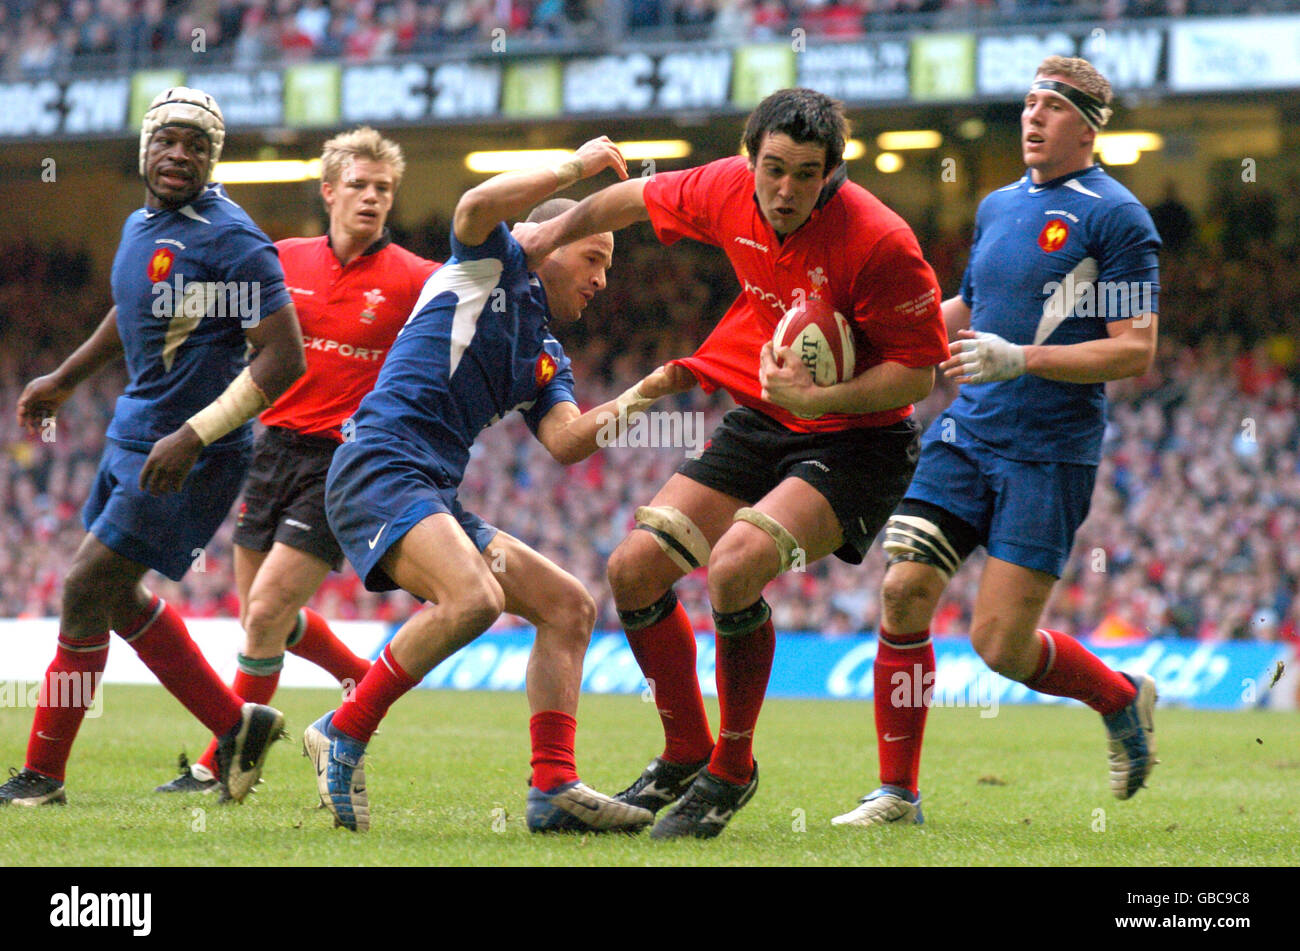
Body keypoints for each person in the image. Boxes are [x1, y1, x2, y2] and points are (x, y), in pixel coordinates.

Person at [521, 88, 949, 839]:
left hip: (861, 439)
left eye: (805, 175)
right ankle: (683, 749)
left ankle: (731, 766)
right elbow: (629, 197)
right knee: (633, 569)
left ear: (832, 174)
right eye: (773, 169)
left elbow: (917, 374)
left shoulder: (880, 242)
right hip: (765, 414)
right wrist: (552, 229)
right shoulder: (723, 187)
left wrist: (826, 401)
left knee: (734, 565)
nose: (784, 191)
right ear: (749, 158)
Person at [304, 136, 688, 834]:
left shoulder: (543, 351)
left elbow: (568, 442)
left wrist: (649, 391)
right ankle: (345, 728)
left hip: (429, 491)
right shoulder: (492, 264)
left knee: (568, 607)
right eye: (594, 258)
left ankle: (553, 787)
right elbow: (479, 203)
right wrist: (576, 166)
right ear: (555, 243)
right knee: (475, 599)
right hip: (379, 464)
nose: (603, 279)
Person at [831, 56, 1162, 828]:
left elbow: (1135, 350)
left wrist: (1026, 358)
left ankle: (1119, 698)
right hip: (970, 431)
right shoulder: (996, 206)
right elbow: (969, 305)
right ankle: (896, 794)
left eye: (1049, 108)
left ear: (1086, 126)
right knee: (904, 588)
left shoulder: (1118, 219)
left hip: (1049, 449)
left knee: (1001, 645)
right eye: (1027, 105)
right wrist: (874, 343)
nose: (1032, 119)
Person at [0, 87, 306, 807]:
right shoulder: (146, 223)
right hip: (133, 433)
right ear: (146, 147)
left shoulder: (231, 237)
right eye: (168, 139)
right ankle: (237, 727)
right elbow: (132, 306)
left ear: (213, 159)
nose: (180, 155)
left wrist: (195, 433)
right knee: (113, 595)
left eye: (196, 145)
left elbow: (285, 357)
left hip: (192, 450)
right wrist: (66, 377)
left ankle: (42, 778)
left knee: (84, 588)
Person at [155, 127, 439, 794]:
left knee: (263, 615)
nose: (372, 198)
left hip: (341, 463)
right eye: (361, 186)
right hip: (270, 449)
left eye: (384, 189)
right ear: (330, 191)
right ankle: (366, 684)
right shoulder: (283, 259)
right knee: (264, 616)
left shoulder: (416, 279)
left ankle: (221, 763)